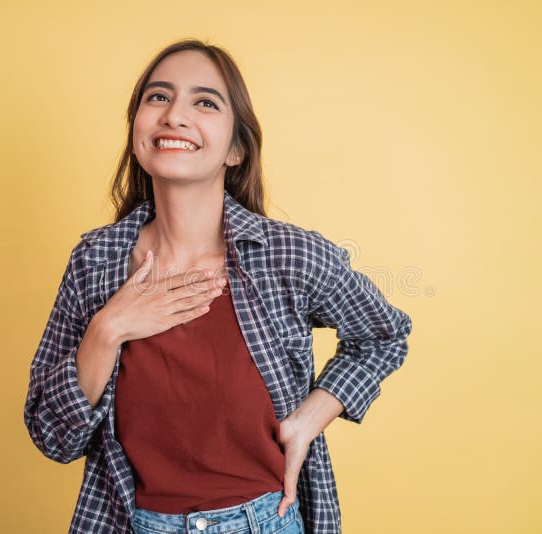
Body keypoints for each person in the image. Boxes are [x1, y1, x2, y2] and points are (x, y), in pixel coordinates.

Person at [23, 38, 412, 534]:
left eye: (204, 102)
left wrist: (308, 419)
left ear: (235, 148)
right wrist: (108, 329)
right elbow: (53, 438)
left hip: (264, 523)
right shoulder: (96, 261)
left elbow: (383, 335)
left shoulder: (286, 256)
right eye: (158, 97)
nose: (175, 116)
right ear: (137, 129)